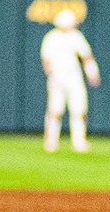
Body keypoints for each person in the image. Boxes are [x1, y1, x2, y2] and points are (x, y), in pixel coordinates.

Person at [40, 9, 99, 153]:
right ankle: (51, 141)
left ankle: (79, 141)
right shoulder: (52, 37)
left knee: (79, 109)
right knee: (55, 109)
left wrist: (92, 72)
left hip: (74, 77)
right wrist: (52, 75)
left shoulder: (76, 36)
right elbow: (46, 59)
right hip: (57, 77)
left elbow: (86, 56)